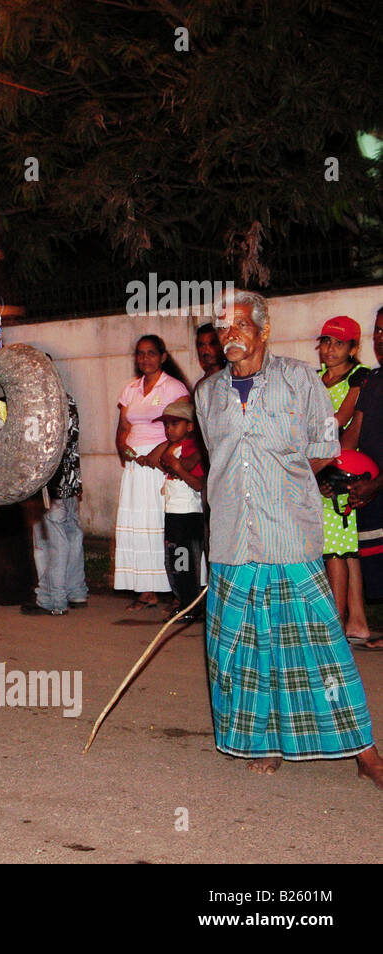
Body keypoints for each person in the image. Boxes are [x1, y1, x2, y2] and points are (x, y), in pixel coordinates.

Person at [194, 290, 383, 787]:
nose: (228, 336)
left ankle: (365, 751)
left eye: (239, 326)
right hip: (233, 537)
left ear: (262, 331)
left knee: (323, 643)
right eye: (222, 328)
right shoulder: (206, 393)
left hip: (289, 533)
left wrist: (282, 480)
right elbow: (219, 458)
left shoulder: (300, 380)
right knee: (244, 648)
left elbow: (323, 449)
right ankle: (264, 743)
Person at [114, 334, 190, 610]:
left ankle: (174, 588)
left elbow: (183, 427)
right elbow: (123, 427)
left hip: (161, 464)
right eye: (140, 354)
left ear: (163, 357)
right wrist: (123, 448)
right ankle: (146, 589)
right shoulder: (131, 389)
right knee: (139, 526)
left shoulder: (173, 387)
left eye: (150, 353)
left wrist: (156, 454)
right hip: (136, 468)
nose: (145, 359)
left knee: (162, 525)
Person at [315, 315, 371, 643]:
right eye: (326, 342)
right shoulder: (317, 377)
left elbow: (341, 420)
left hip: (343, 468)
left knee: (336, 549)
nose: (331, 349)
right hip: (323, 463)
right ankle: (357, 622)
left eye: (339, 343)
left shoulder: (358, 377)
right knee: (343, 549)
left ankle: (335, 624)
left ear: (352, 347)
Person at [22, 391, 87, 615]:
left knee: (50, 541)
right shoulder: (67, 398)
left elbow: (37, 445)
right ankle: (76, 591)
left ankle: (52, 599)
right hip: (69, 480)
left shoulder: (39, 401)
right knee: (71, 535)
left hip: (49, 483)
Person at [344, 305, 383, 650]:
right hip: (370, 484)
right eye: (379, 331)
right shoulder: (372, 381)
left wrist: (376, 483)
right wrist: (338, 472)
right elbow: (353, 432)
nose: (381, 338)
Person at [151, 398, 206, 623]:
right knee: (174, 560)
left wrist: (177, 467)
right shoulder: (171, 448)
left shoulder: (194, 449)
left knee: (185, 561)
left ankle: (190, 605)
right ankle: (183, 601)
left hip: (188, 513)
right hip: (173, 512)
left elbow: (198, 484)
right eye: (166, 425)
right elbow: (156, 459)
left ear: (190, 426)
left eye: (175, 424)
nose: (169, 430)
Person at [194, 322, 226, 387]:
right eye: (201, 345)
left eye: (212, 344)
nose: (206, 350)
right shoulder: (201, 385)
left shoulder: (233, 378)